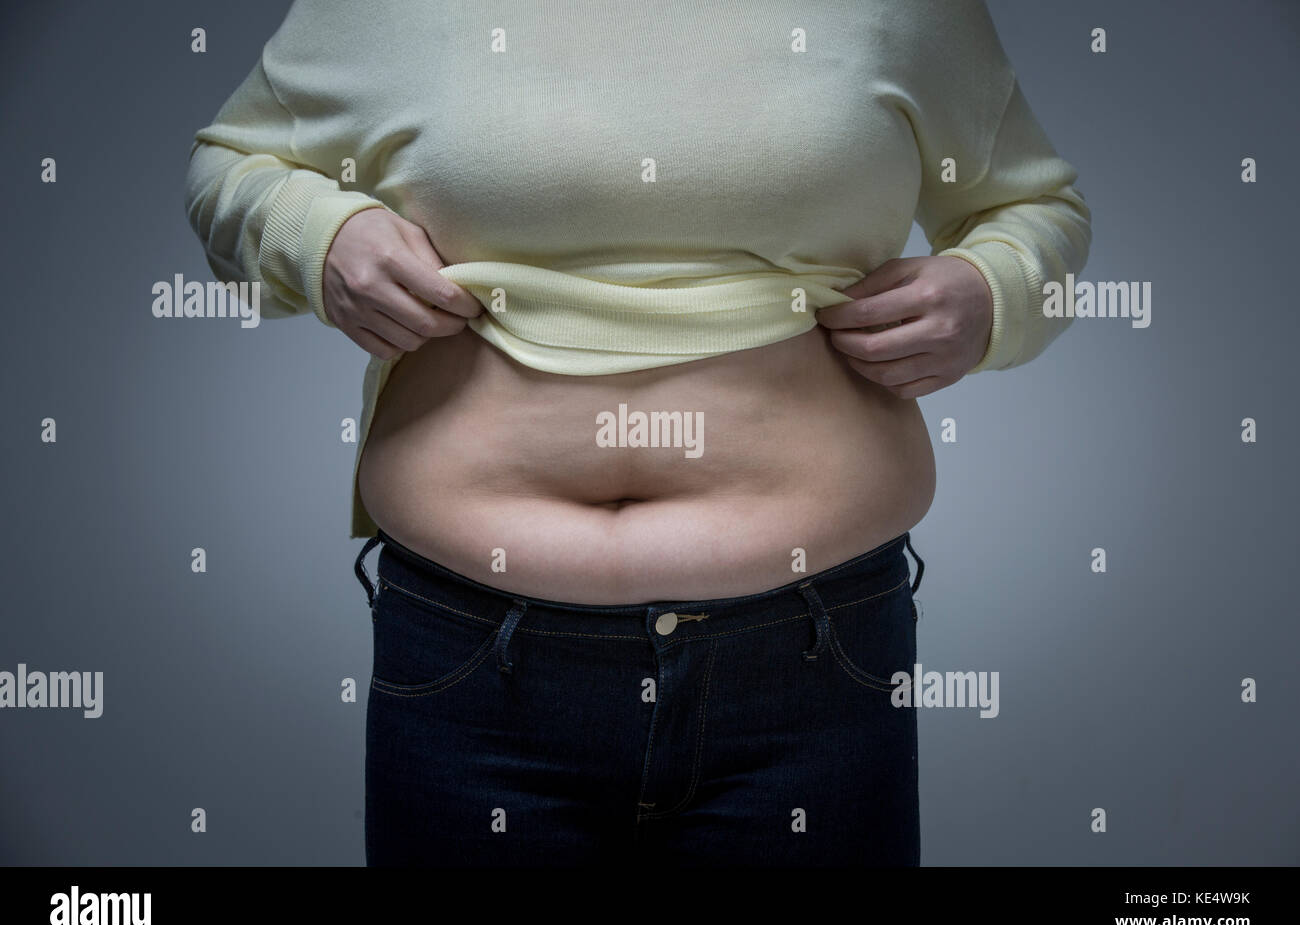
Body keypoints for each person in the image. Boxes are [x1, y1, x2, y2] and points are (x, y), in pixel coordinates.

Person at [185, 0, 1090, 866]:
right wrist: (318, 235)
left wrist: (993, 292)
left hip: (812, 666)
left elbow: (1034, 208)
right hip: (469, 663)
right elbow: (231, 166)